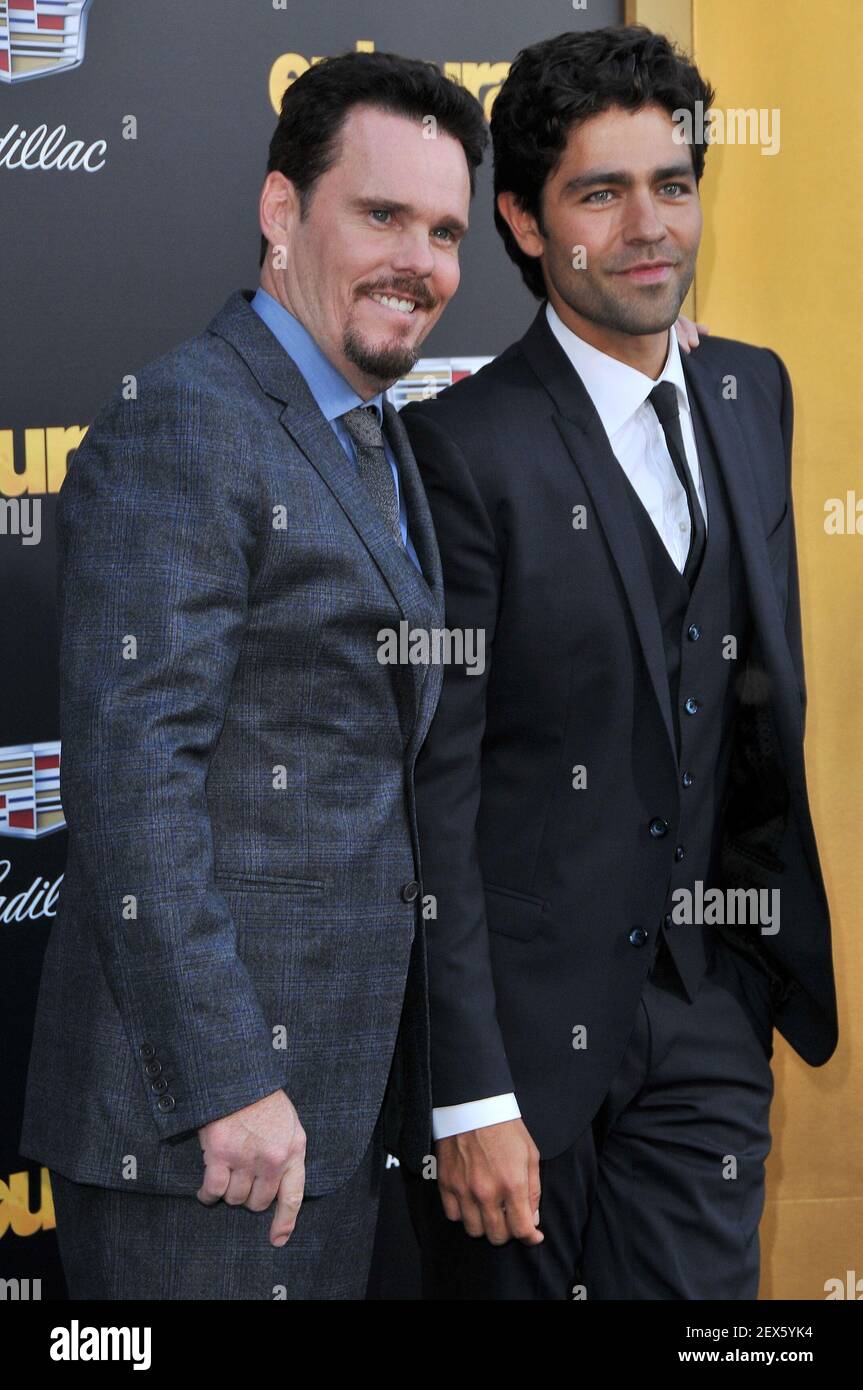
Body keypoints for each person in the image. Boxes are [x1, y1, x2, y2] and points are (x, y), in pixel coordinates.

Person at [18, 49, 487, 1301]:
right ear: (281, 213)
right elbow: (132, 785)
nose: (420, 262)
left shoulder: (372, 434)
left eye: (443, 231)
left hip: (332, 1119)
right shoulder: (190, 420)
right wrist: (228, 1077)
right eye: (379, 214)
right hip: (210, 1141)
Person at [399, 25, 838, 1300]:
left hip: (707, 1004)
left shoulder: (751, 391)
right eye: (601, 192)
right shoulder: (459, 448)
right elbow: (440, 784)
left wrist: (742, 975)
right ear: (527, 226)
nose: (650, 226)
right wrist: (468, 1085)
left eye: (673, 184)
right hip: (527, 1043)